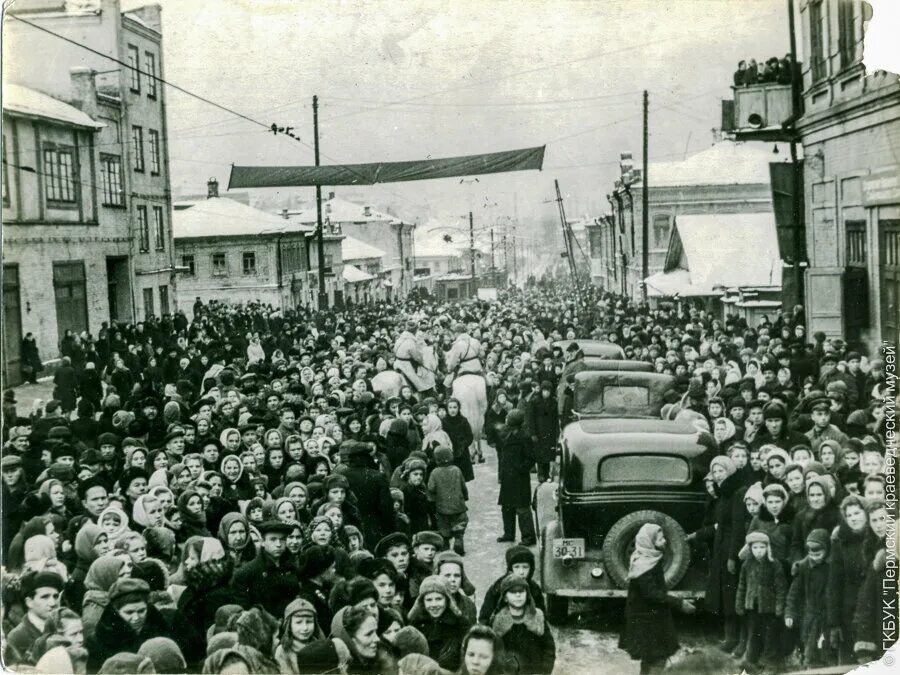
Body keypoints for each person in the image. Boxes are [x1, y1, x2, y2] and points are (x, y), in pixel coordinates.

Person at [619, 524, 695, 674]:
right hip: (645, 621)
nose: (665, 541)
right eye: (660, 539)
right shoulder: (643, 565)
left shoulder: (650, 558)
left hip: (652, 617)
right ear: (649, 542)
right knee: (657, 658)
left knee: (651, 658)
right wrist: (679, 603)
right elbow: (652, 594)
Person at [86, 578, 171, 672]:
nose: (136, 618)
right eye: (129, 612)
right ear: (115, 611)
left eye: (141, 611)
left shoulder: (162, 629)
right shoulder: (97, 642)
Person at [734, 531, 788, 671]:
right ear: (750, 549)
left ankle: (770, 663)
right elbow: (742, 586)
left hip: (769, 608)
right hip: (752, 607)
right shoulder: (747, 565)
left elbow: (781, 588)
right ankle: (751, 661)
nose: (759, 551)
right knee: (753, 635)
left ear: (767, 548)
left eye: (762, 547)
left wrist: (779, 606)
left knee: (769, 636)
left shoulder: (774, 564)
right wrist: (739, 604)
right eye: (755, 548)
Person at [490, 573, 555, 674]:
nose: (518, 595)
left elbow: (549, 648)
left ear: (527, 594)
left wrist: (545, 671)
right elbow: (493, 653)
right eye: (512, 592)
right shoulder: (499, 620)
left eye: (521, 591)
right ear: (505, 598)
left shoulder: (537, 617)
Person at [495, 409, 537, 546]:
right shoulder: (505, 434)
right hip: (508, 477)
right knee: (507, 507)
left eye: (508, 417)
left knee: (522, 508)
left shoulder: (524, 437)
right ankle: (509, 533)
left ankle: (528, 537)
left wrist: (520, 469)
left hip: (519, 478)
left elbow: (531, 458)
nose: (506, 418)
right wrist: (502, 473)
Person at [427, 446, 469, 555]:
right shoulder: (456, 470)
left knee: (443, 525)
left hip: (442, 506)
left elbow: (431, 488)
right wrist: (465, 496)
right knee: (460, 522)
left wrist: (431, 499)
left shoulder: (435, 472)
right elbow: (463, 485)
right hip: (458, 505)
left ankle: (445, 544)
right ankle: (458, 540)